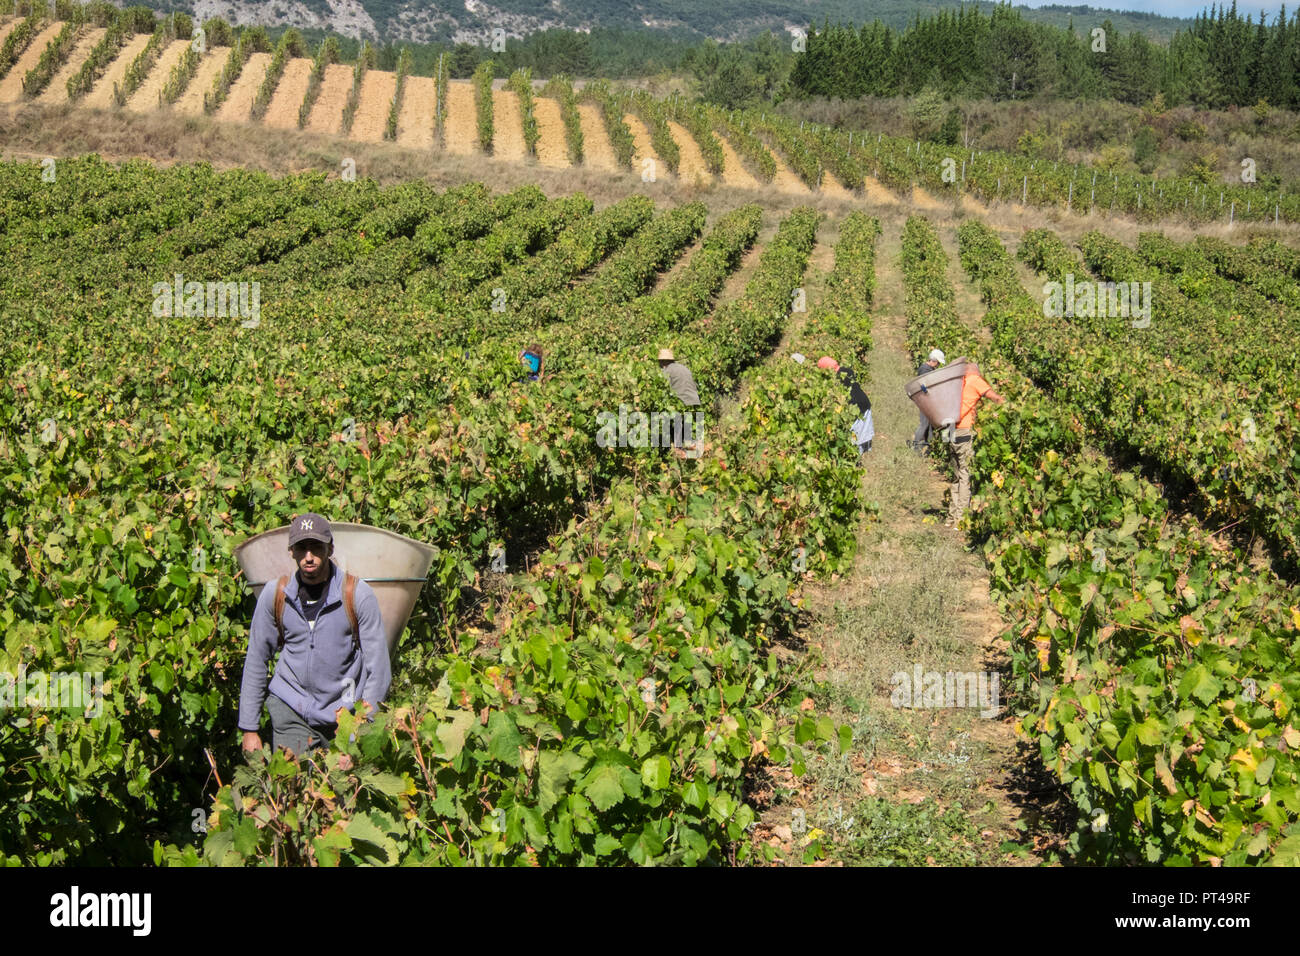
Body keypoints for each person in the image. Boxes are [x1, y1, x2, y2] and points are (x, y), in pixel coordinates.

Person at [238, 513, 390, 757]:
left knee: (340, 791)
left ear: (330, 548)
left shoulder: (357, 595)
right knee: (293, 788)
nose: (309, 557)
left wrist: (363, 725)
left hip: (345, 715)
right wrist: (249, 728)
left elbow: (378, 669)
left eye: (316, 547)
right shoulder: (276, 595)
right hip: (291, 709)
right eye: (302, 548)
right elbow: (256, 658)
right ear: (292, 552)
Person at [946, 361, 1005, 528]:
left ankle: (950, 518)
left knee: (956, 475)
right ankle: (960, 520)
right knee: (965, 475)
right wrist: (1009, 408)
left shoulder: (958, 382)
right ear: (976, 372)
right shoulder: (975, 380)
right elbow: (995, 398)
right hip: (965, 431)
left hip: (951, 431)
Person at [818, 357, 874, 464]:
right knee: (862, 432)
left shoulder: (836, 379)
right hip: (864, 402)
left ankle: (855, 461)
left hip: (855, 408)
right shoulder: (848, 370)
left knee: (855, 435)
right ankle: (857, 458)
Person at [910, 349, 945, 455]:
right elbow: (923, 385)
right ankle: (916, 445)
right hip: (925, 401)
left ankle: (927, 445)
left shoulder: (927, 368)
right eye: (938, 363)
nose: (938, 365)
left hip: (927, 400)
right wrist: (928, 393)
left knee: (928, 424)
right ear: (934, 361)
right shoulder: (925, 370)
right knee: (924, 423)